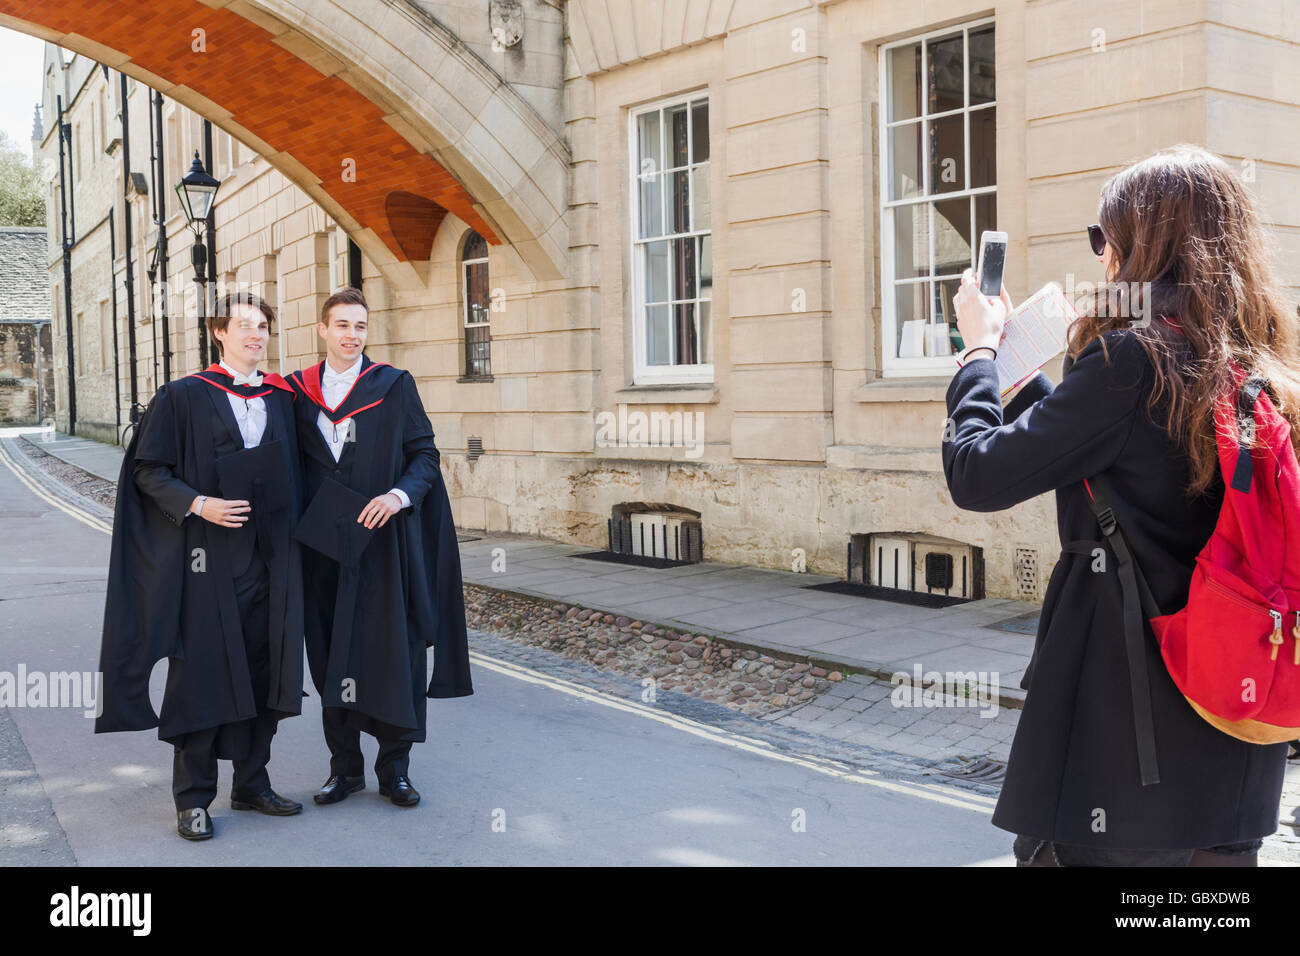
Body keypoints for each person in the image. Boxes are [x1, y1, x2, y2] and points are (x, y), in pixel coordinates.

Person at [945, 144, 1300, 866]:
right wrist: (1027, 385)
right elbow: (1123, 463)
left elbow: (976, 473)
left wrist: (979, 357)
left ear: (1144, 243)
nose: (1102, 257)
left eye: (1104, 238)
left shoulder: (1130, 362)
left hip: (1124, 753)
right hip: (1237, 735)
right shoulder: (1259, 369)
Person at [97, 292, 306, 841]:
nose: (255, 335)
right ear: (219, 331)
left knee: (266, 670)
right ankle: (193, 798)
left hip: (272, 560)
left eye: (262, 326)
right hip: (207, 563)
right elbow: (149, 470)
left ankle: (252, 783)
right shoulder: (183, 396)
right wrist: (199, 503)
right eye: (244, 326)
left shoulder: (282, 397)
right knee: (203, 676)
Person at [287, 287, 472, 809]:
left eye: (360, 326)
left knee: (396, 654)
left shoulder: (393, 386)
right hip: (324, 548)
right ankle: (343, 770)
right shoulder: (297, 392)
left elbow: (425, 457)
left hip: (383, 546)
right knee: (328, 656)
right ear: (323, 329)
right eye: (342, 325)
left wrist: (397, 496)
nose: (351, 335)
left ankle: (395, 770)